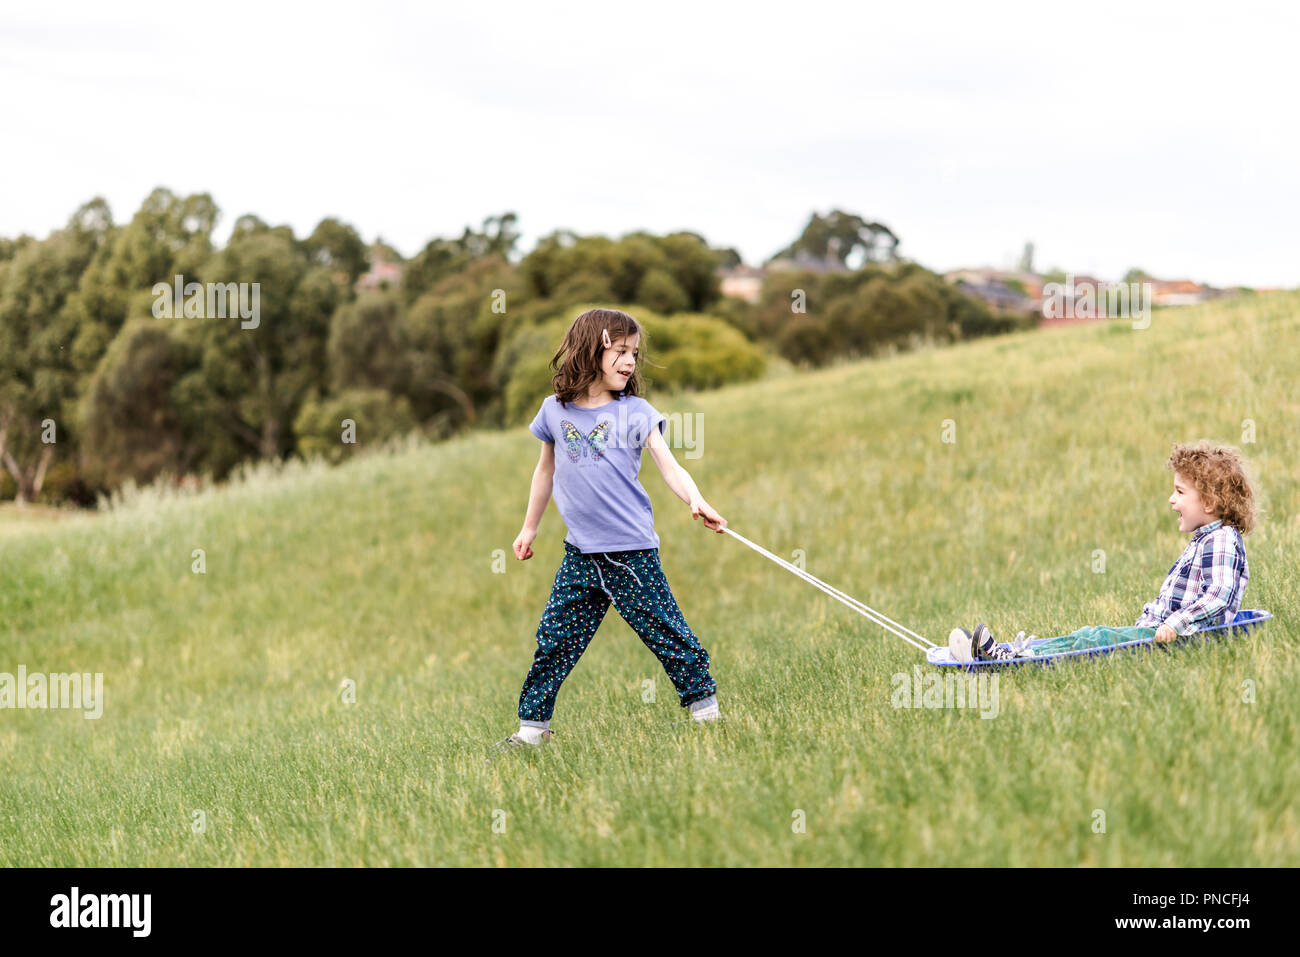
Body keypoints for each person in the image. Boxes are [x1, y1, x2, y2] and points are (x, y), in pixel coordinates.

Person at [500, 308, 727, 748]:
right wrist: (529, 528)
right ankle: (532, 730)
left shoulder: (636, 412)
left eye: (634, 354)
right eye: (621, 351)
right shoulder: (554, 412)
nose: (629, 362)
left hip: (631, 553)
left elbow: (669, 465)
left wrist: (695, 499)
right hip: (580, 555)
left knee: (666, 631)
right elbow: (544, 473)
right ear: (593, 349)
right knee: (554, 640)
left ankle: (706, 711)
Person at [949, 440, 1256, 662]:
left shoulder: (1222, 540)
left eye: (1179, 492)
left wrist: (1172, 625)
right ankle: (1011, 653)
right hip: (1157, 636)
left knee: (1093, 639)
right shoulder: (1205, 540)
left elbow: (1218, 597)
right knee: (1088, 635)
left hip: (1177, 642)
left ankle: (1010, 658)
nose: (1171, 500)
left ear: (1209, 503)